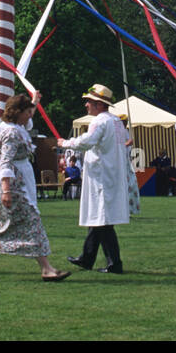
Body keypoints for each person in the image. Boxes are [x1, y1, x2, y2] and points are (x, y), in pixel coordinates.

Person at [0, 93, 70, 282]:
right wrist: (6, 189)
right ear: (18, 112)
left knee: (3, 222)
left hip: (16, 179)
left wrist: (34, 102)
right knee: (28, 221)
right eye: (28, 111)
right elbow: (5, 161)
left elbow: (25, 124)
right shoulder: (10, 132)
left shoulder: (12, 127)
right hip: (13, 182)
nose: (30, 115)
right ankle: (46, 269)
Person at [58, 84, 130, 274]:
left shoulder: (99, 121)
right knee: (99, 218)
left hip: (101, 175)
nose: (86, 105)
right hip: (111, 173)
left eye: (88, 102)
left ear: (99, 104)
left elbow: (87, 141)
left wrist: (66, 143)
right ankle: (87, 258)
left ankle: (114, 263)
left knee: (103, 220)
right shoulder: (116, 122)